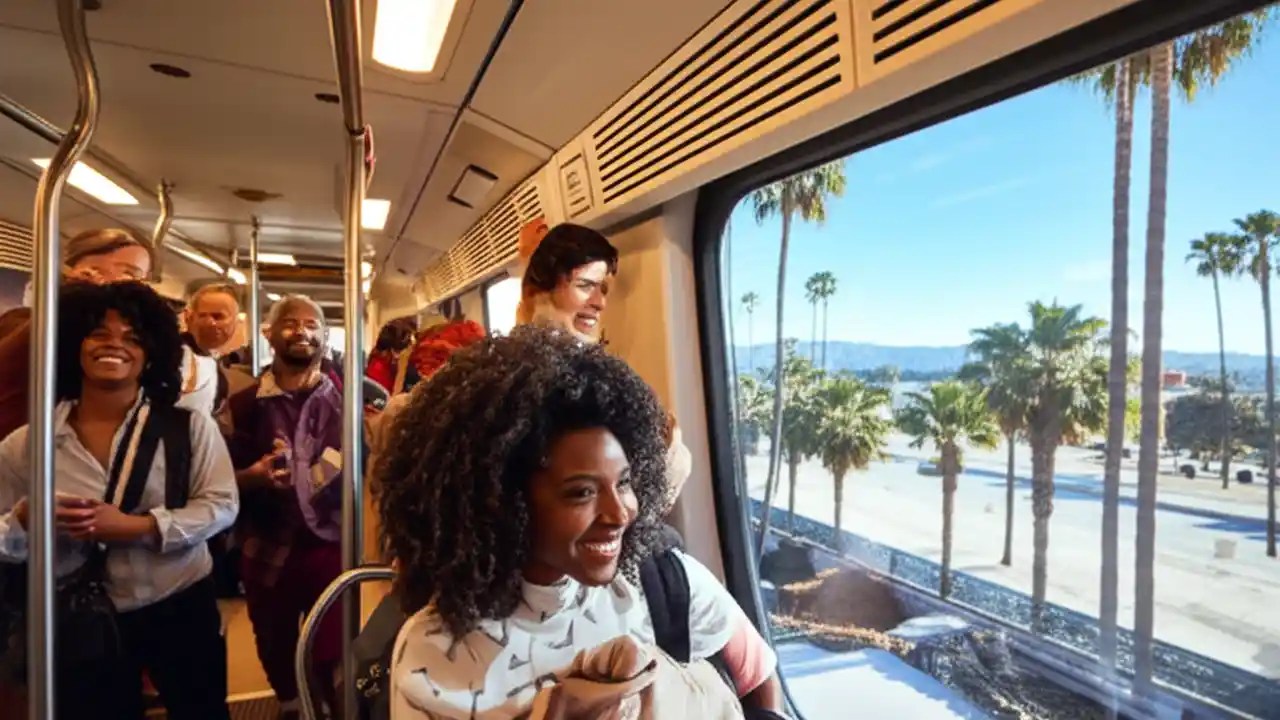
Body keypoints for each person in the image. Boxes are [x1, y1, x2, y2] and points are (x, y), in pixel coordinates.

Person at [382, 326, 785, 719]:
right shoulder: (433, 657)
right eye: (581, 493)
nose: (620, 513)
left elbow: (758, 676)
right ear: (503, 500)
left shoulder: (663, 582)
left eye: (624, 483)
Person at [0, 281, 238, 719]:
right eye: (99, 335)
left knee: (201, 711)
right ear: (73, 344)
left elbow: (221, 504)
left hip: (179, 600)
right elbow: (2, 535)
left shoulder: (188, 429)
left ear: (151, 352)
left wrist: (139, 527)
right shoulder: (28, 445)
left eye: (132, 338)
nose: (115, 346)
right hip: (79, 611)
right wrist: (23, 519)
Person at [224, 294, 346, 719]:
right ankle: (291, 704)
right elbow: (219, 483)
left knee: (332, 641)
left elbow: (368, 463)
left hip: (328, 540)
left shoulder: (347, 399)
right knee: (273, 637)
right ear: (268, 333)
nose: (302, 332)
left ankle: (330, 707)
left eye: (312, 324)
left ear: (325, 337)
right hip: (267, 540)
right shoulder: (242, 406)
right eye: (290, 323)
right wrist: (254, 477)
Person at [0, 228, 153, 439]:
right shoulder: (20, 321)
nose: (137, 287)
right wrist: (73, 298)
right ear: (88, 270)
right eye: (129, 273)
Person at [178, 283, 239, 416]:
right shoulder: (177, 355)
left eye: (218, 317)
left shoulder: (209, 359)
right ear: (189, 318)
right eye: (203, 315)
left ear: (234, 322)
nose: (210, 322)